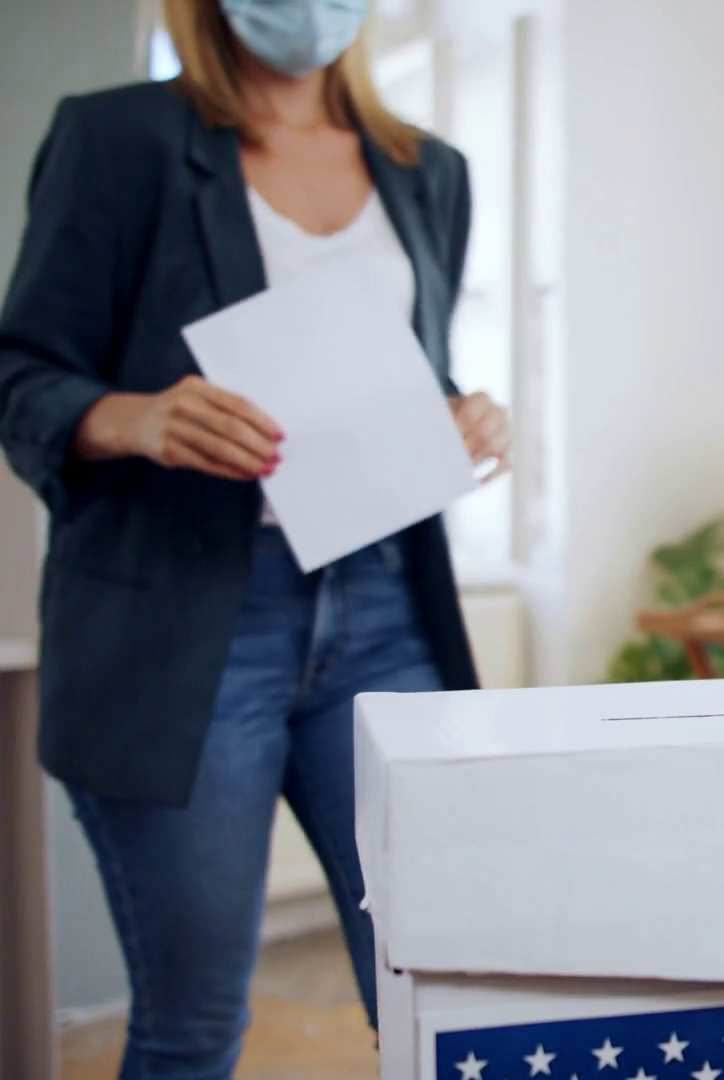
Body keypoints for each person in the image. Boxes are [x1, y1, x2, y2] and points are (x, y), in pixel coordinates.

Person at [0, 1, 510, 1075]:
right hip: (185, 626)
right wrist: (133, 417)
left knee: (444, 989)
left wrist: (459, 416)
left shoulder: (433, 170)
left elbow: (405, 371)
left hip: (384, 611)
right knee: (192, 1025)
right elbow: (24, 375)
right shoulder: (118, 141)